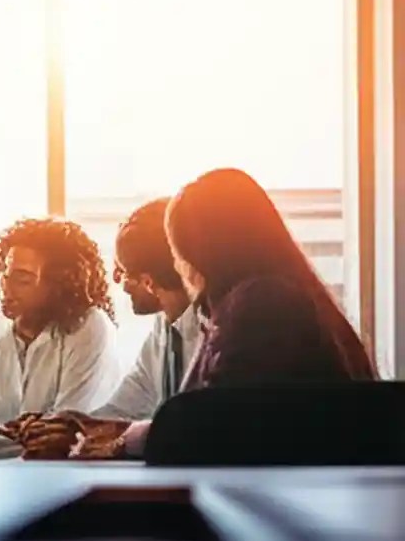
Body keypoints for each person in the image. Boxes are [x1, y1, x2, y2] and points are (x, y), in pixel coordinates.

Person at [24, 168, 377, 460]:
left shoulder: (261, 303)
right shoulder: (277, 294)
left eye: (178, 251)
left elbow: (206, 425)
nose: (178, 266)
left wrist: (108, 443)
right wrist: (93, 429)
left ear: (202, 253)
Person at [0, 218, 121, 422]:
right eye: (4, 276)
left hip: (68, 450)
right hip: (6, 448)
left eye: (22, 279)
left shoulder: (89, 326)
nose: (6, 288)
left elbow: (67, 424)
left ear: (58, 284)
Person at [92, 198, 203, 420]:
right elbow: (126, 405)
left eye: (123, 272)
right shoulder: (163, 329)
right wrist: (73, 426)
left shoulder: (212, 333)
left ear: (147, 281)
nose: (121, 284)